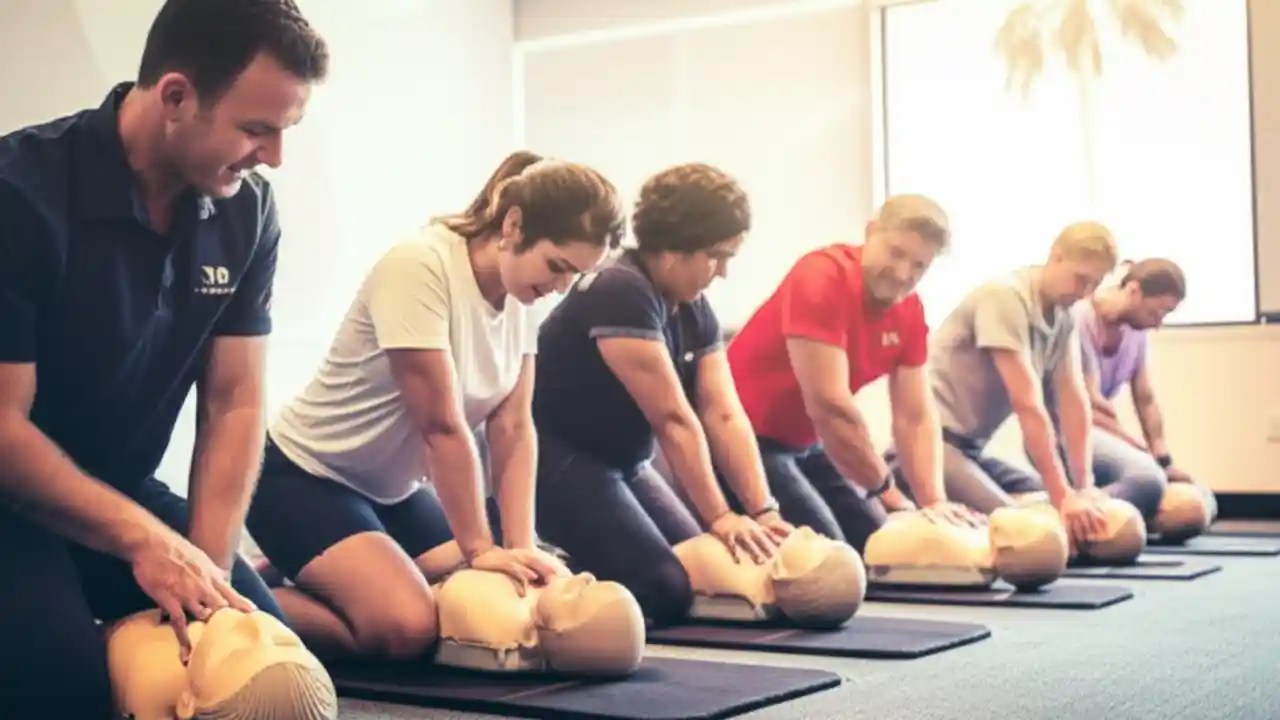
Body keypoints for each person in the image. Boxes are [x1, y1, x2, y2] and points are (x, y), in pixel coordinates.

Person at [0, 1, 328, 715]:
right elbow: (2, 429)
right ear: (176, 95)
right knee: (60, 688)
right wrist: (150, 543)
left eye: (284, 131)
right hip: (6, 500)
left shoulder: (249, 212)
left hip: (118, 486)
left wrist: (204, 569)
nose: (273, 156)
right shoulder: (17, 193)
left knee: (273, 680)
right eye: (256, 129)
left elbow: (235, 398)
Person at [245, 151, 625, 661]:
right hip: (304, 477)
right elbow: (442, 426)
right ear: (513, 224)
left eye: (574, 276)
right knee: (406, 627)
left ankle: (315, 571)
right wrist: (481, 549)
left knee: (506, 585)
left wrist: (520, 545)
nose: (560, 288)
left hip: (392, 493)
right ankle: (233, 595)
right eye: (557, 266)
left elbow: (512, 427)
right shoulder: (420, 265)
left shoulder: (524, 295)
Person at [531, 162, 792, 628]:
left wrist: (761, 510)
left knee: (710, 567)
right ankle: (536, 546)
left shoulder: (694, 308)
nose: (723, 272)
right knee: (663, 589)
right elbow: (673, 419)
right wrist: (719, 515)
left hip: (625, 463)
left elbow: (722, 412)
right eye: (717, 255)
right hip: (560, 462)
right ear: (675, 249)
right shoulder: (621, 290)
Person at [726, 194, 982, 556]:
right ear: (871, 232)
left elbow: (915, 415)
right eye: (895, 253)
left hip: (808, 444)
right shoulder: (821, 275)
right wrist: (888, 492)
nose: (903, 273)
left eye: (919, 265)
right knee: (835, 554)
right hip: (745, 441)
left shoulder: (910, 310)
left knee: (879, 543)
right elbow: (829, 406)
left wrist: (933, 503)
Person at [927, 221, 1143, 544]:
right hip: (931, 449)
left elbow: (1074, 400)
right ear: (1055, 257)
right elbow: (1028, 404)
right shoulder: (1006, 298)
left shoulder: (1065, 316)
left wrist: (1083, 487)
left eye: (1094, 284)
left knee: (1050, 506)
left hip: (971, 453)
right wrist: (1062, 496)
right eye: (1080, 279)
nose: (1084, 292)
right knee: (1033, 534)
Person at [1075, 258, 1192, 516]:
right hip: (1067, 433)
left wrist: (1163, 459)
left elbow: (1145, 398)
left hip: (1100, 437)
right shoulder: (1079, 318)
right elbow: (1090, 408)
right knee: (1148, 482)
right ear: (1133, 291)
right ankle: (1060, 511)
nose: (1157, 324)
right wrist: (1141, 453)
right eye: (1155, 313)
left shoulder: (1136, 332)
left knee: (1195, 501)